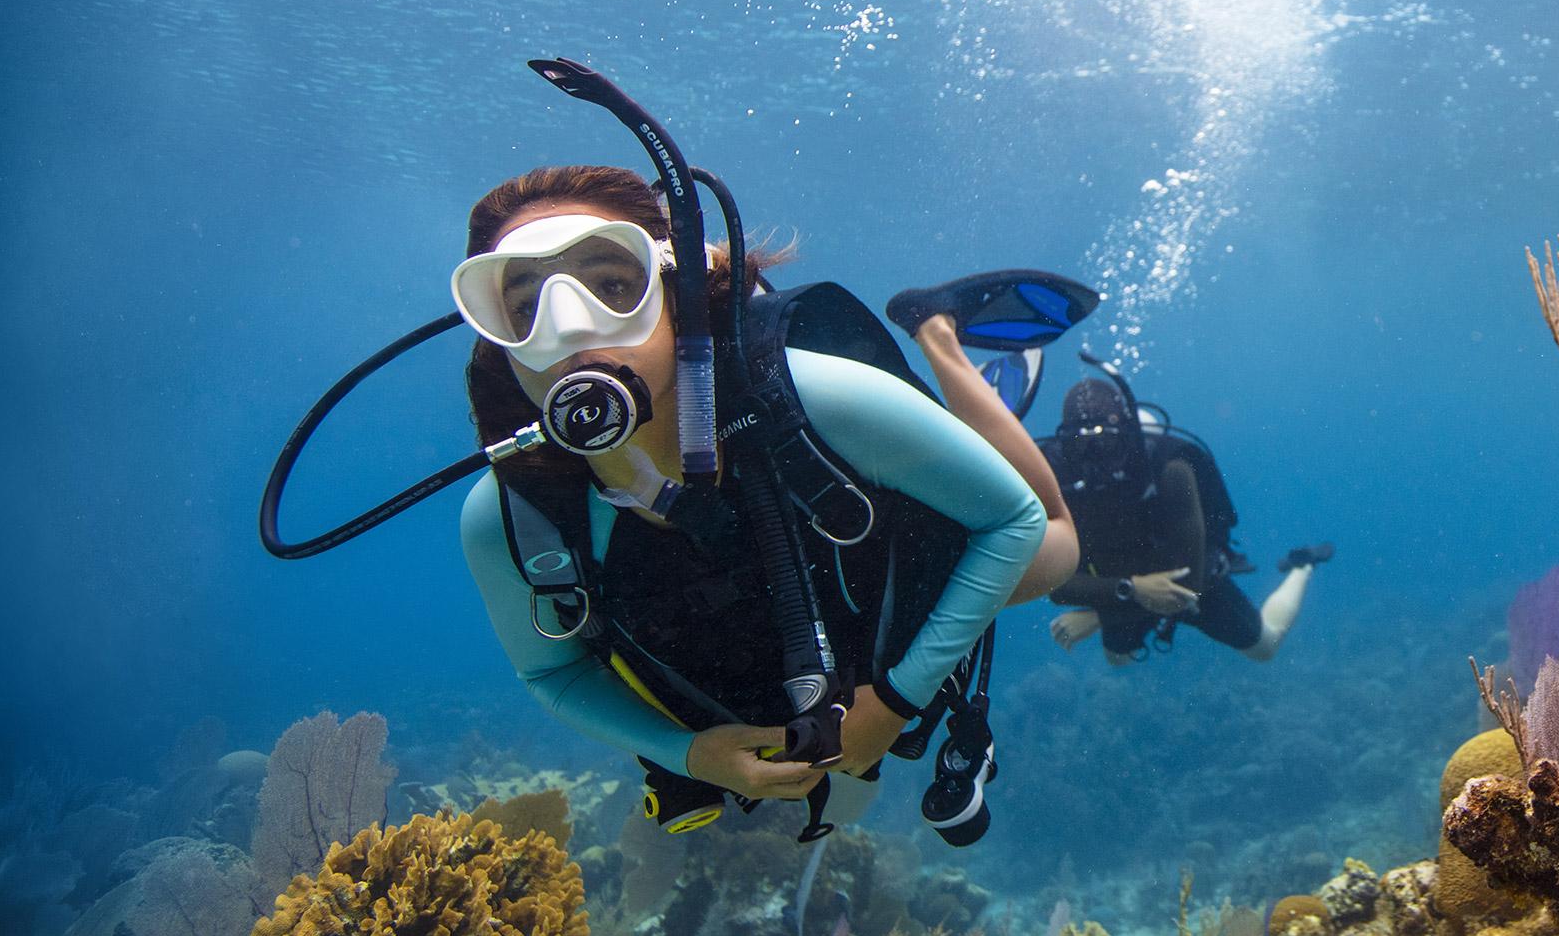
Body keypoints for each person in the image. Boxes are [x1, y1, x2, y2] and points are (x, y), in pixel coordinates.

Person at [453, 161, 1093, 844]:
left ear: (676, 295)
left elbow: (1012, 519)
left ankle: (939, 338)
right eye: (524, 307)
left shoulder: (820, 397)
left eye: (614, 286)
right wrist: (690, 755)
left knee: (1055, 546)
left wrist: (897, 699)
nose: (569, 330)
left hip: (895, 572)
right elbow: (551, 670)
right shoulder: (510, 519)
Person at [1039, 371, 1330, 664]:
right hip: (1126, 588)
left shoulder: (1170, 468)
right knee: (1118, 658)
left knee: (1265, 646)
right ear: (1064, 440)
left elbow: (1189, 581)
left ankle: (1302, 565)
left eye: (1103, 442)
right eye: (1079, 443)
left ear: (1126, 433)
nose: (1093, 457)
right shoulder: (1055, 476)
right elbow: (1053, 585)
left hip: (1192, 576)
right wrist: (1131, 590)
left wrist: (1101, 615)